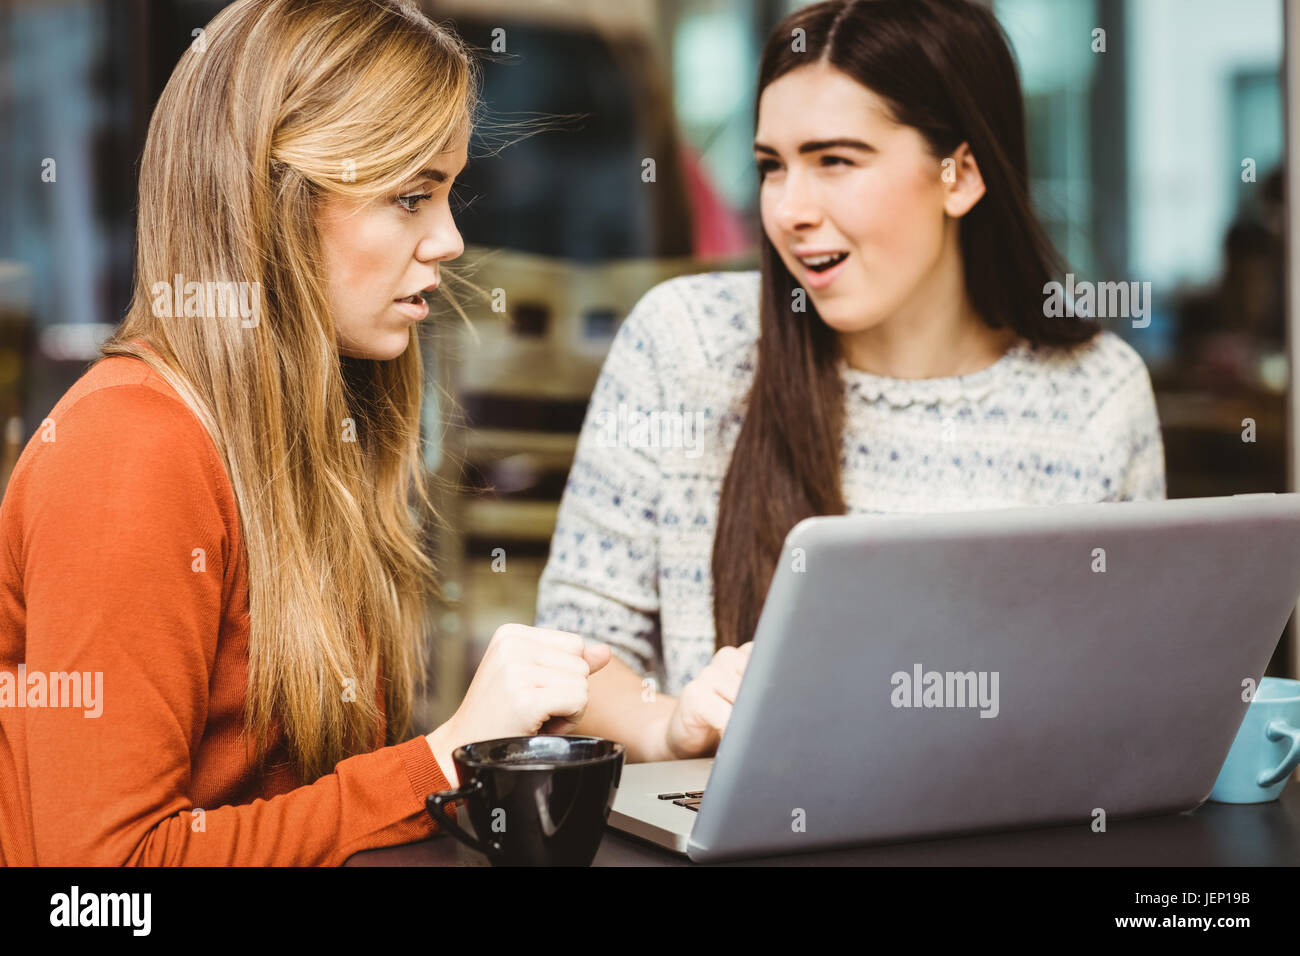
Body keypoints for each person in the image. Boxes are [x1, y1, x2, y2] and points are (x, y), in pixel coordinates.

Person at [0, 0, 608, 866]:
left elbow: (308, 806)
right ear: (274, 206)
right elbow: (102, 883)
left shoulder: (319, 440)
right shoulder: (128, 452)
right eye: (410, 197)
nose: (451, 239)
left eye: (447, 191)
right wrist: (439, 761)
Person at [535, 0, 1166, 764]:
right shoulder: (687, 344)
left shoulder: (1096, 396)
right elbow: (571, 661)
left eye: (836, 160)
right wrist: (671, 726)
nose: (790, 210)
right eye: (772, 166)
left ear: (959, 174)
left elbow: (1125, 695)